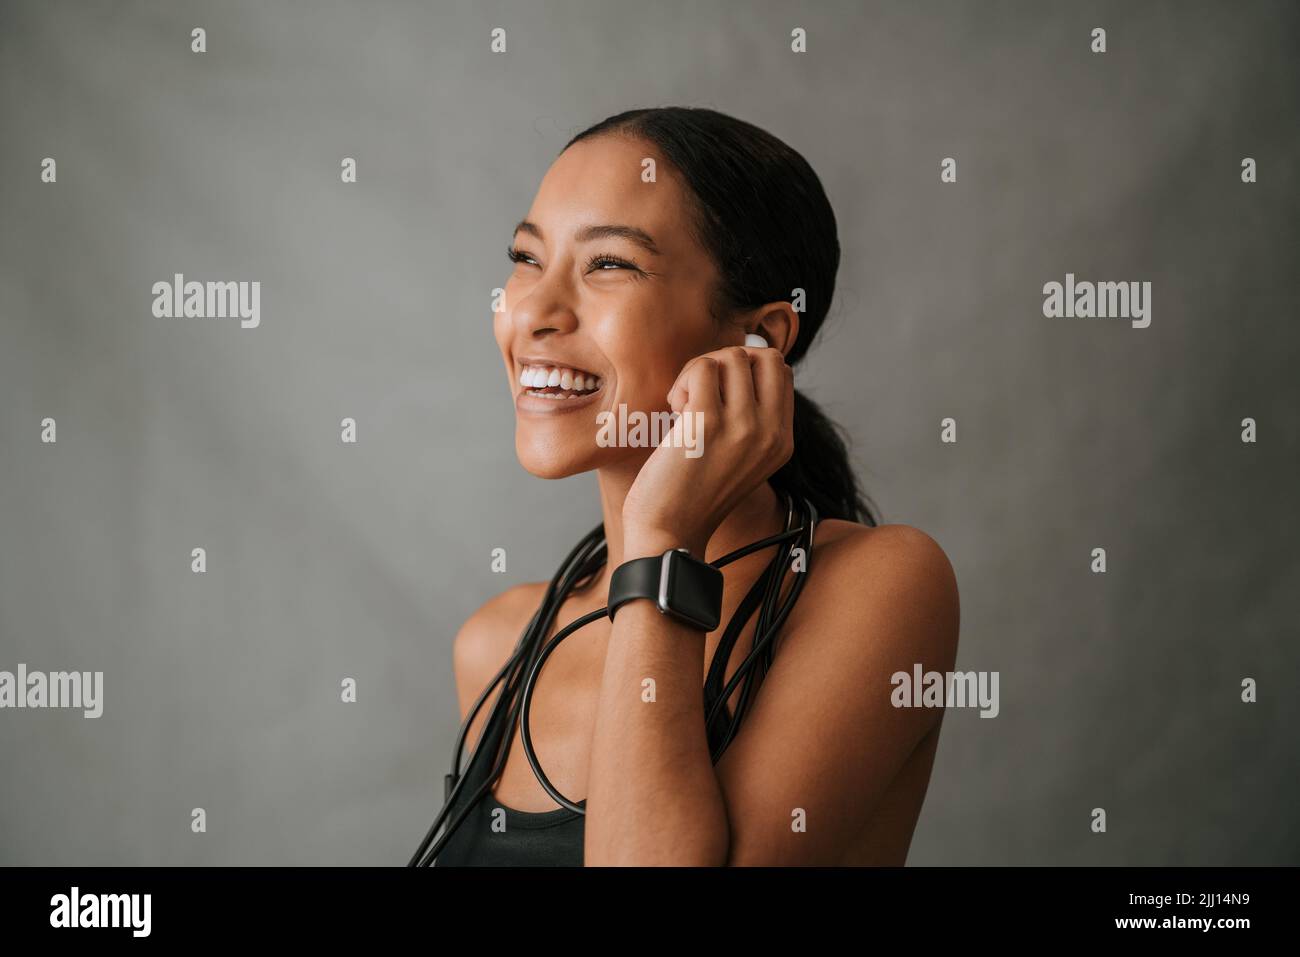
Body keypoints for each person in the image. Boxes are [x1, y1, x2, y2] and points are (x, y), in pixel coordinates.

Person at [429, 106, 959, 866]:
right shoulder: (499, 646)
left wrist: (662, 539)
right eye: (526, 257)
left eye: (608, 263)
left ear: (761, 339)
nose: (535, 313)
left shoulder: (881, 586)